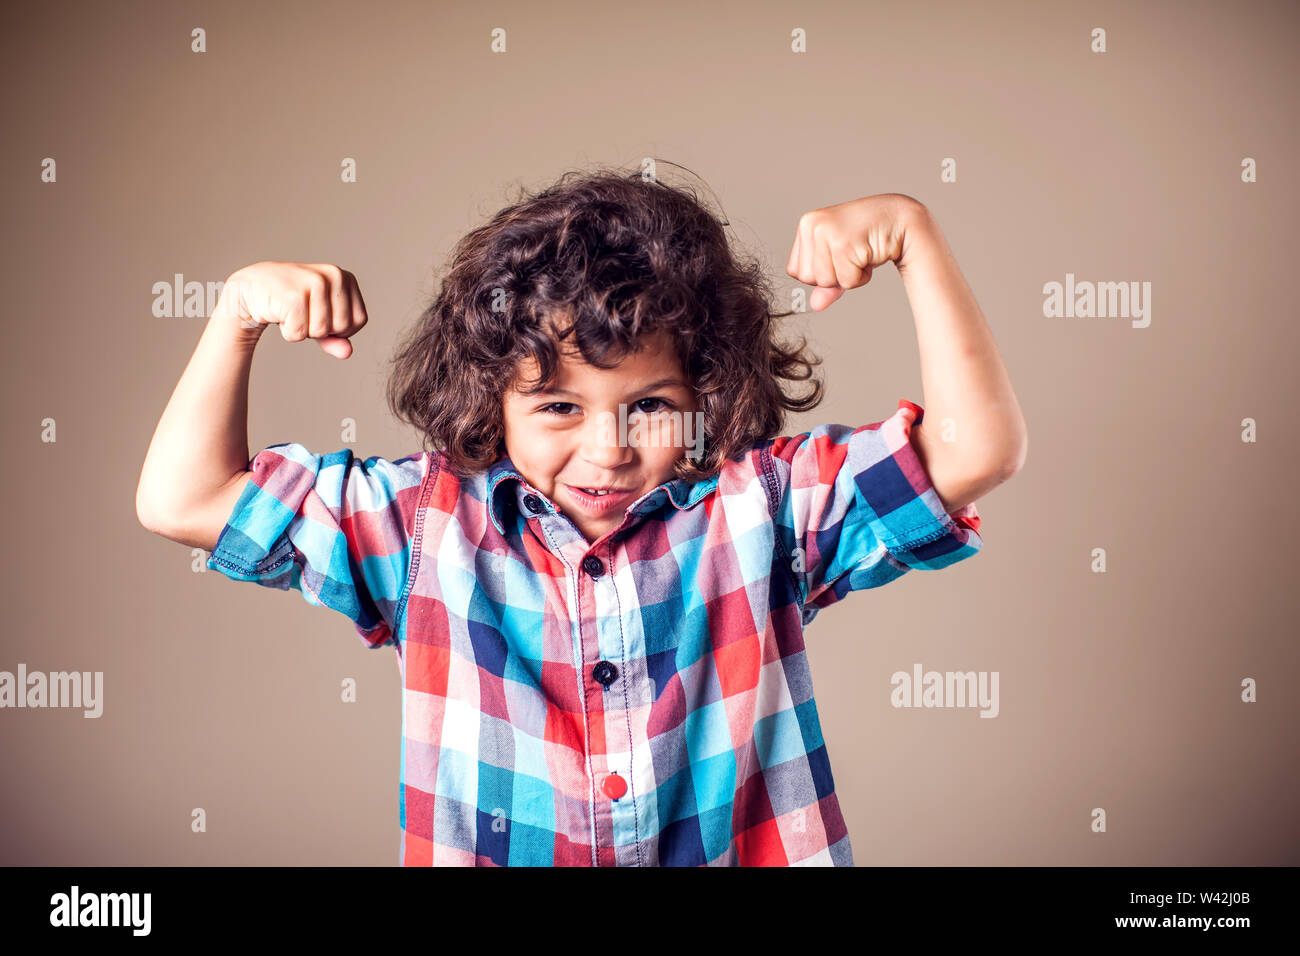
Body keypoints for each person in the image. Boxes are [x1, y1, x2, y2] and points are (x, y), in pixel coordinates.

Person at [135, 164, 1027, 866]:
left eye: (650, 406)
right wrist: (238, 314)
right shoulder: (419, 527)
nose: (608, 450)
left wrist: (914, 238)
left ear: (709, 394)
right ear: (490, 403)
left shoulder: (766, 510)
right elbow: (185, 499)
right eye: (559, 408)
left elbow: (972, 453)